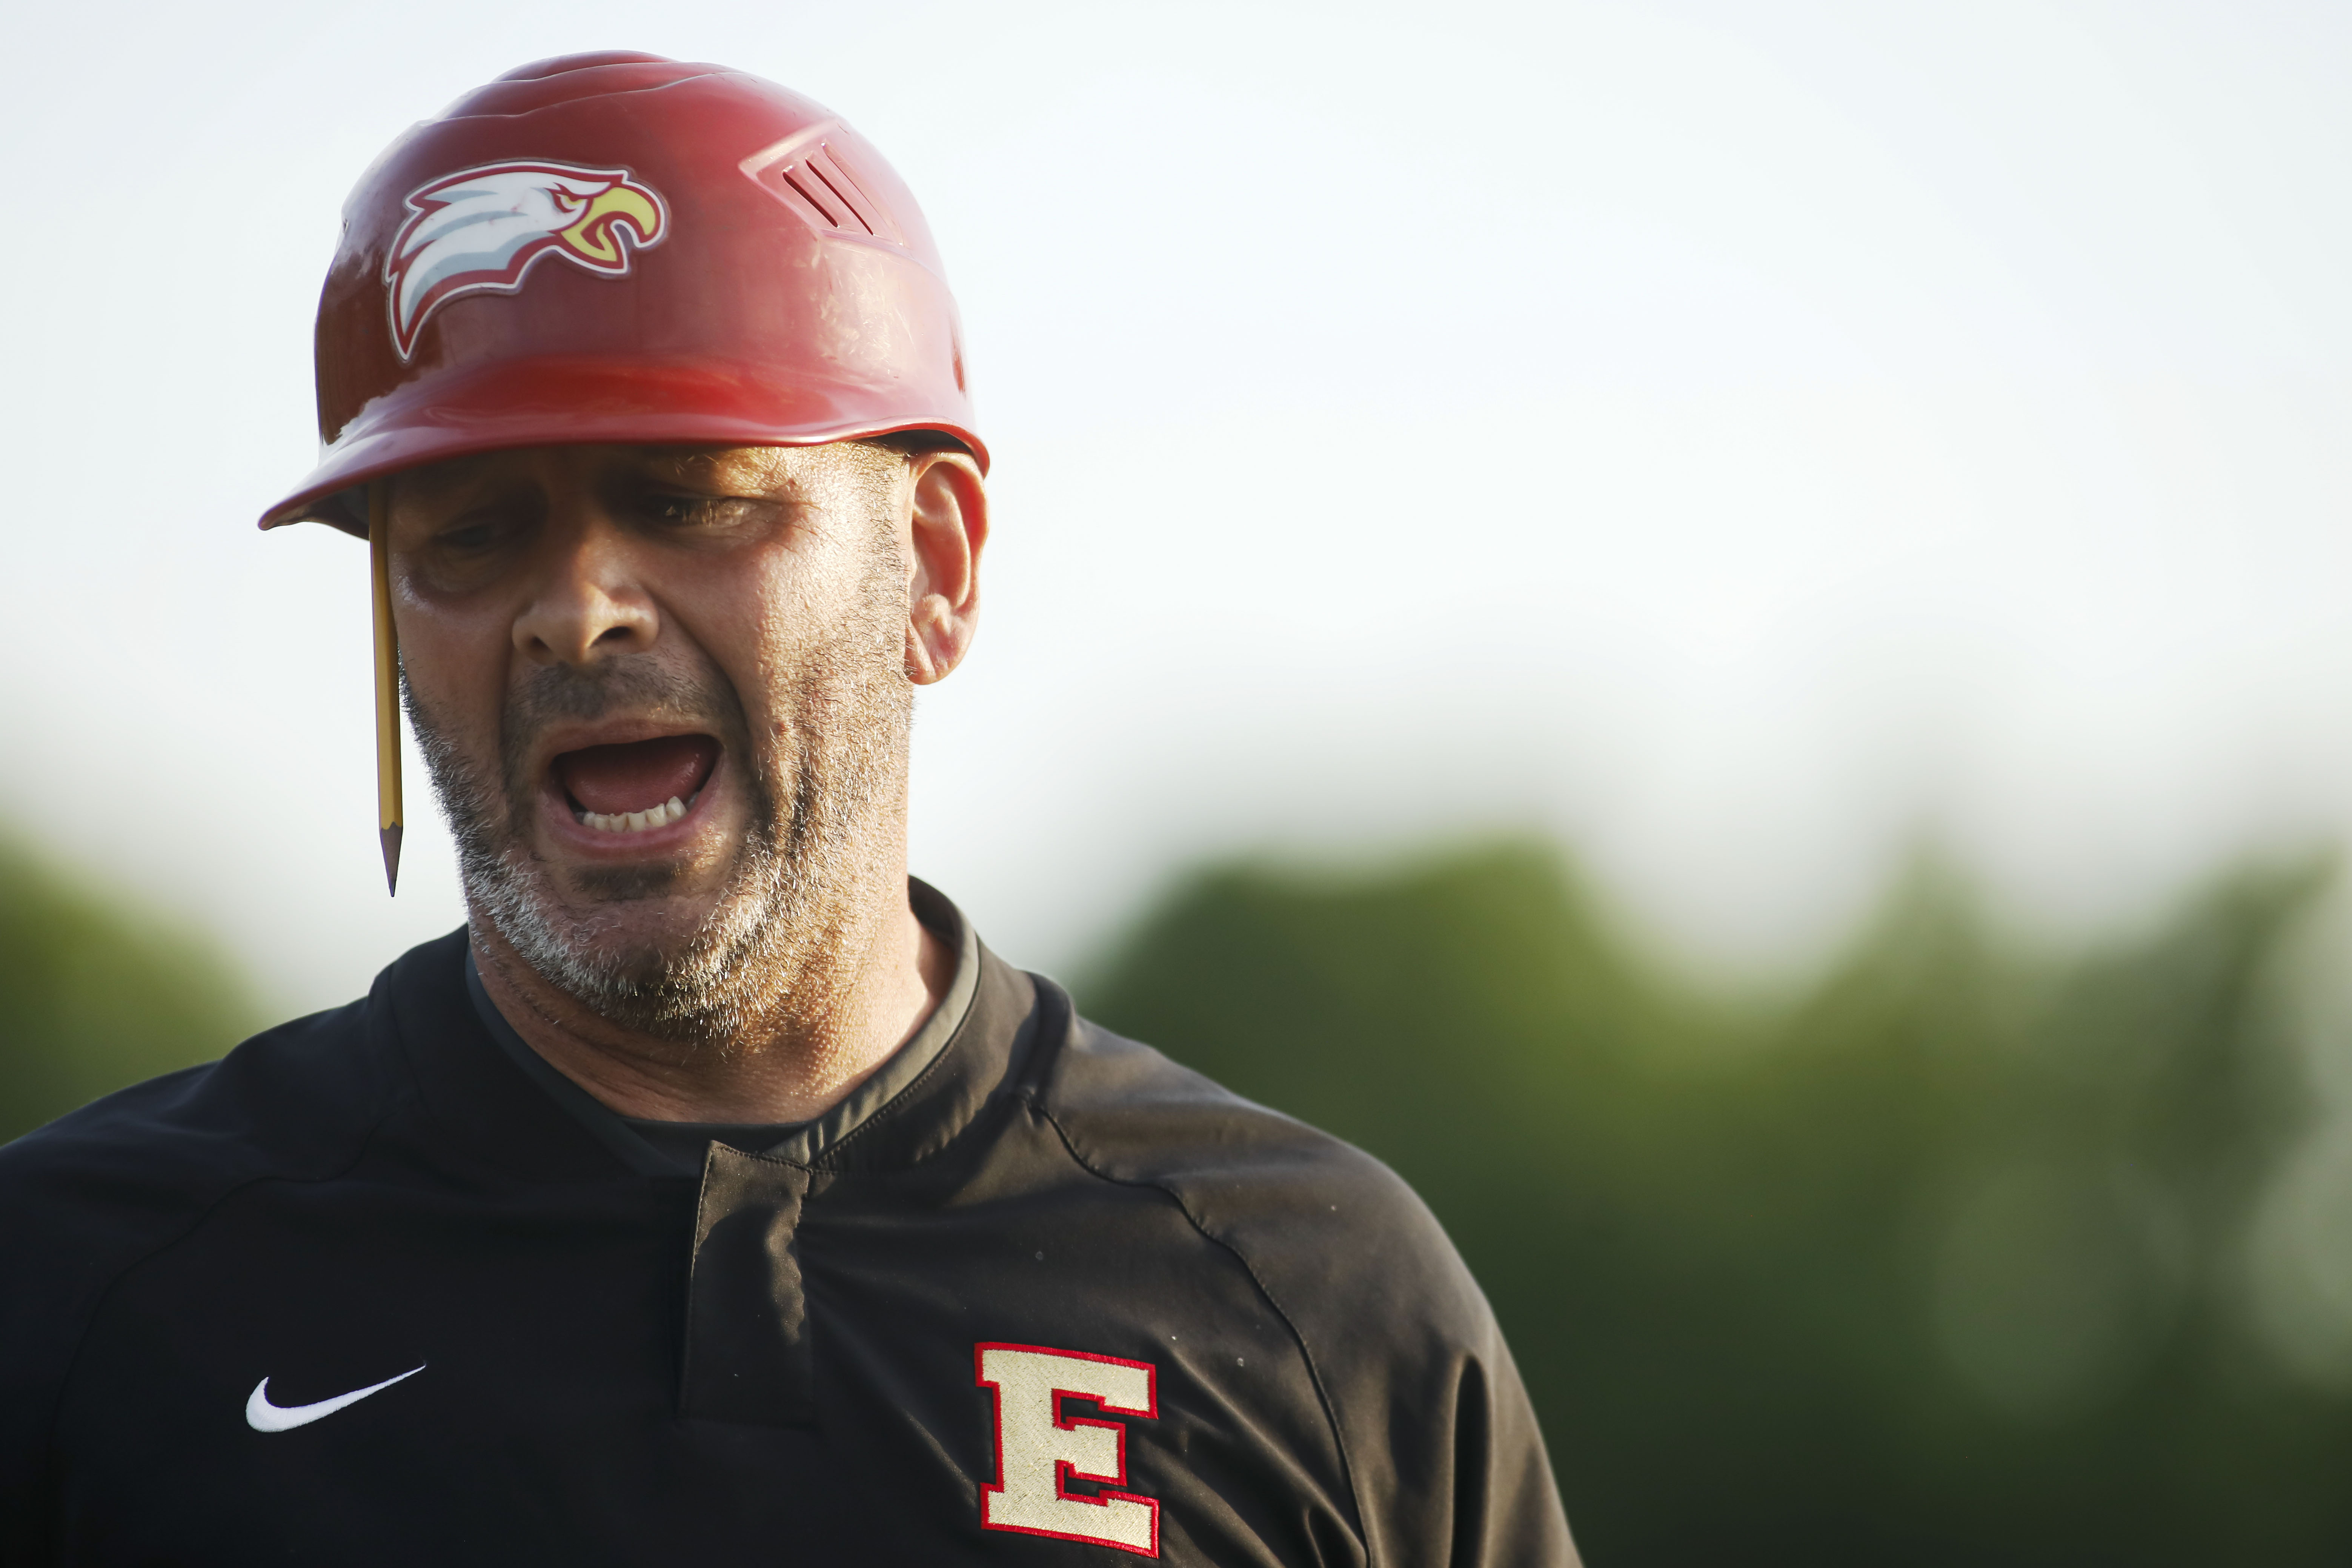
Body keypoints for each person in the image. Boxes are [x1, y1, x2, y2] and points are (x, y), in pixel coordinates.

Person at [0, 52, 1575, 1566]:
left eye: (688, 498)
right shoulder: (78, 1289)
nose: (579, 609)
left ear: (935, 565)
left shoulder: (1312, 1302)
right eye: (473, 531)